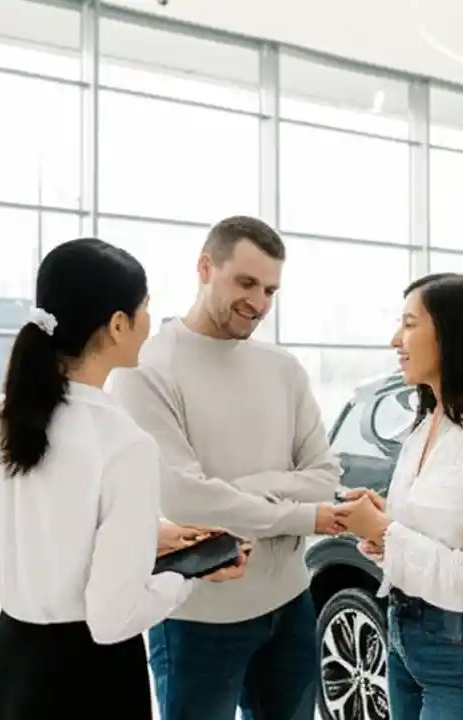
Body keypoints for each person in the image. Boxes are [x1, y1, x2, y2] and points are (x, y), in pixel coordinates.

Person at [0, 238, 245, 720]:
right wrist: (189, 574)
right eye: (146, 308)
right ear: (118, 324)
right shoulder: (123, 443)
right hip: (86, 685)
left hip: (3, 675)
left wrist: (144, 538)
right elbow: (111, 619)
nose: (151, 322)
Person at [109, 215, 342, 720]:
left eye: (270, 290)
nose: (258, 302)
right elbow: (186, 501)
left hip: (292, 603)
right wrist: (306, 514)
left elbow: (326, 475)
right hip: (198, 616)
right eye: (246, 282)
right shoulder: (147, 367)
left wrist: (243, 489)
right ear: (204, 267)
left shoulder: (284, 369)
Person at [336, 272, 463, 720]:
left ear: (453, 334)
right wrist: (382, 526)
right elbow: (430, 538)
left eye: (409, 324)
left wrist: (388, 533)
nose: (396, 339)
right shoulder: (426, 428)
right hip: (406, 634)